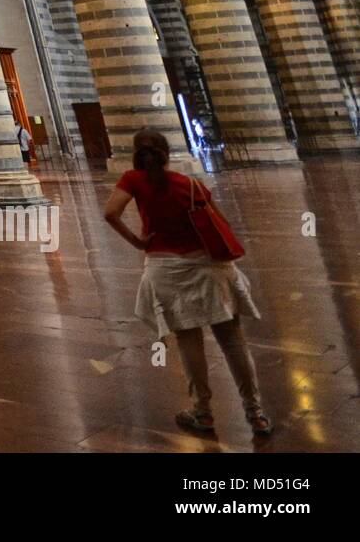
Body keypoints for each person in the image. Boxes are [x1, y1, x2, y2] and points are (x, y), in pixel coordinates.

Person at [103, 129, 272, 438]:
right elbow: (221, 222)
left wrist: (138, 242)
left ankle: (203, 413)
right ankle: (256, 413)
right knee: (233, 341)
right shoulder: (189, 184)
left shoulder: (133, 180)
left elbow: (110, 212)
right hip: (209, 267)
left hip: (166, 270)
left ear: (136, 153)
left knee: (188, 342)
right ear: (167, 153)